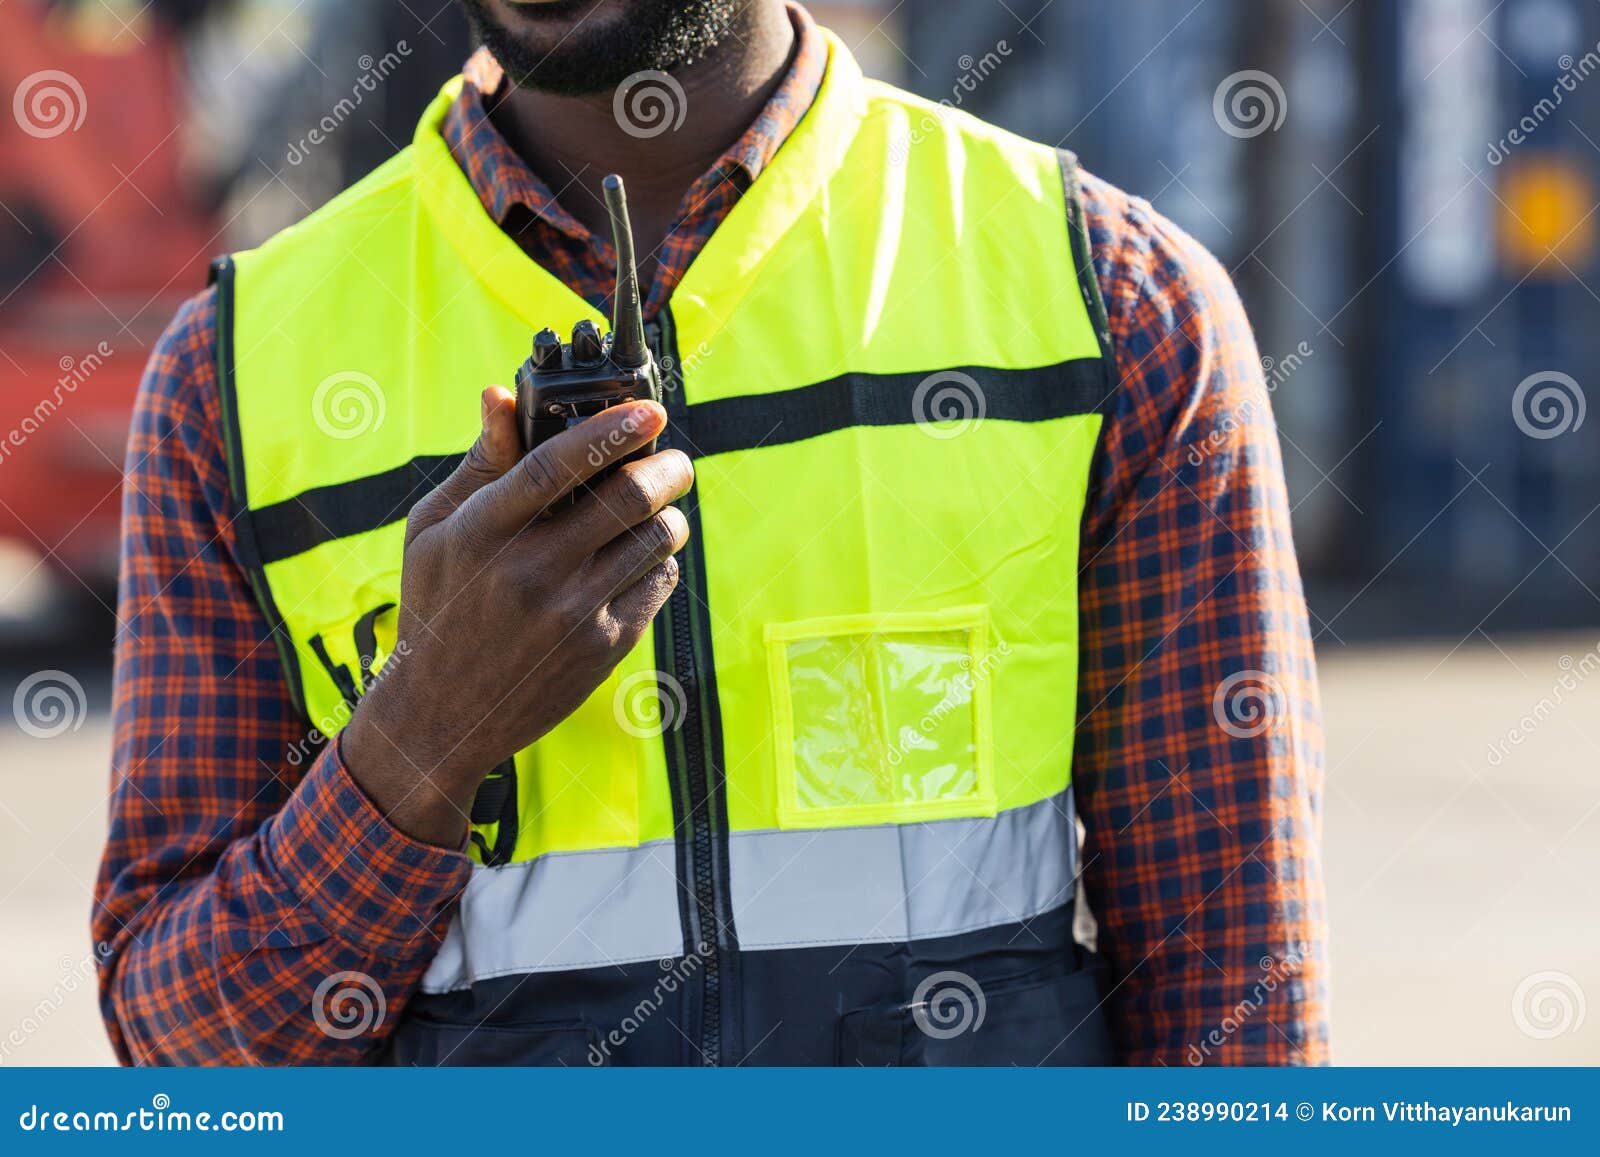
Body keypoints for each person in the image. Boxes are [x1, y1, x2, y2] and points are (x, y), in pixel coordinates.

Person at [95, 0, 1328, 1066]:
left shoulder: (1108, 301)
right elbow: (187, 1060)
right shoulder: (236, 379)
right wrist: (421, 741)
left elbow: (1238, 1024)